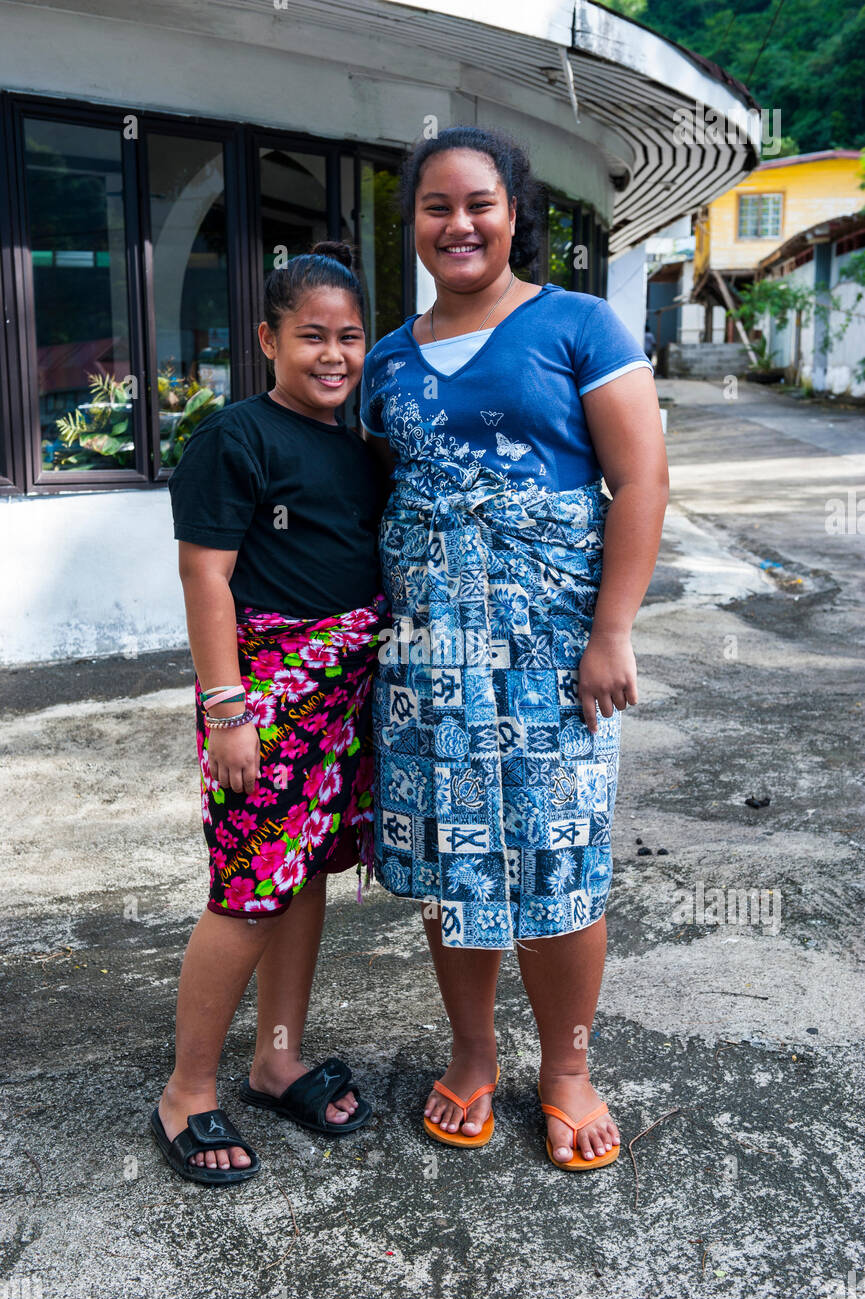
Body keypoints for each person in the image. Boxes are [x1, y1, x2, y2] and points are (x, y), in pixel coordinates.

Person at [361, 128, 669, 1171]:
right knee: (459, 858)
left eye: (479, 204)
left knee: (559, 864)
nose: (459, 224)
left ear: (513, 214)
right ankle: (473, 1053)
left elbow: (641, 483)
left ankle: (568, 1068)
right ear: (413, 224)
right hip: (427, 657)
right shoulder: (389, 358)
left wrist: (611, 630)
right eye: (435, 207)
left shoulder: (577, 323)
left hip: (552, 652)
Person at [151, 241, 387, 1184]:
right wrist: (225, 710)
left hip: (346, 699)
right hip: (265, 700)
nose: (333, 356)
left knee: (306, 876)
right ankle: (187, 1094)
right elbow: (204, 576)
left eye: (350, 338)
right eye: (311, 338)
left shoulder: (358, 439)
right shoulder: (233, 437)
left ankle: (275, 1058)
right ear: (267, 340)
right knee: (248, 891)